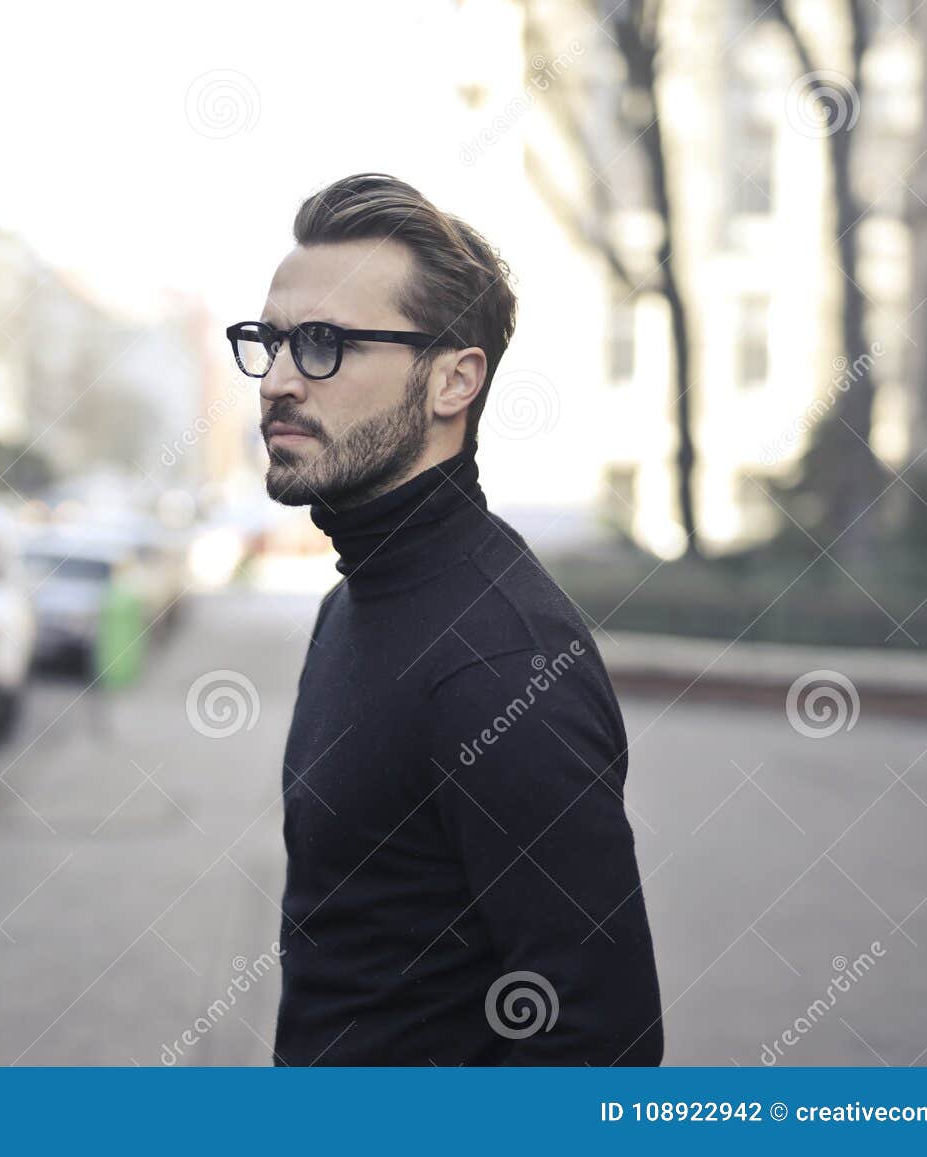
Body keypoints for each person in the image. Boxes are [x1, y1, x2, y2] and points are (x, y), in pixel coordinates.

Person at [230, 173, 664, 1066]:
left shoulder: (503, 660)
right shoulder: (349, 602)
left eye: (321, 345)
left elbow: (601, 1041)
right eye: (268, 342)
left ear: (452, 380)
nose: (275, 381)